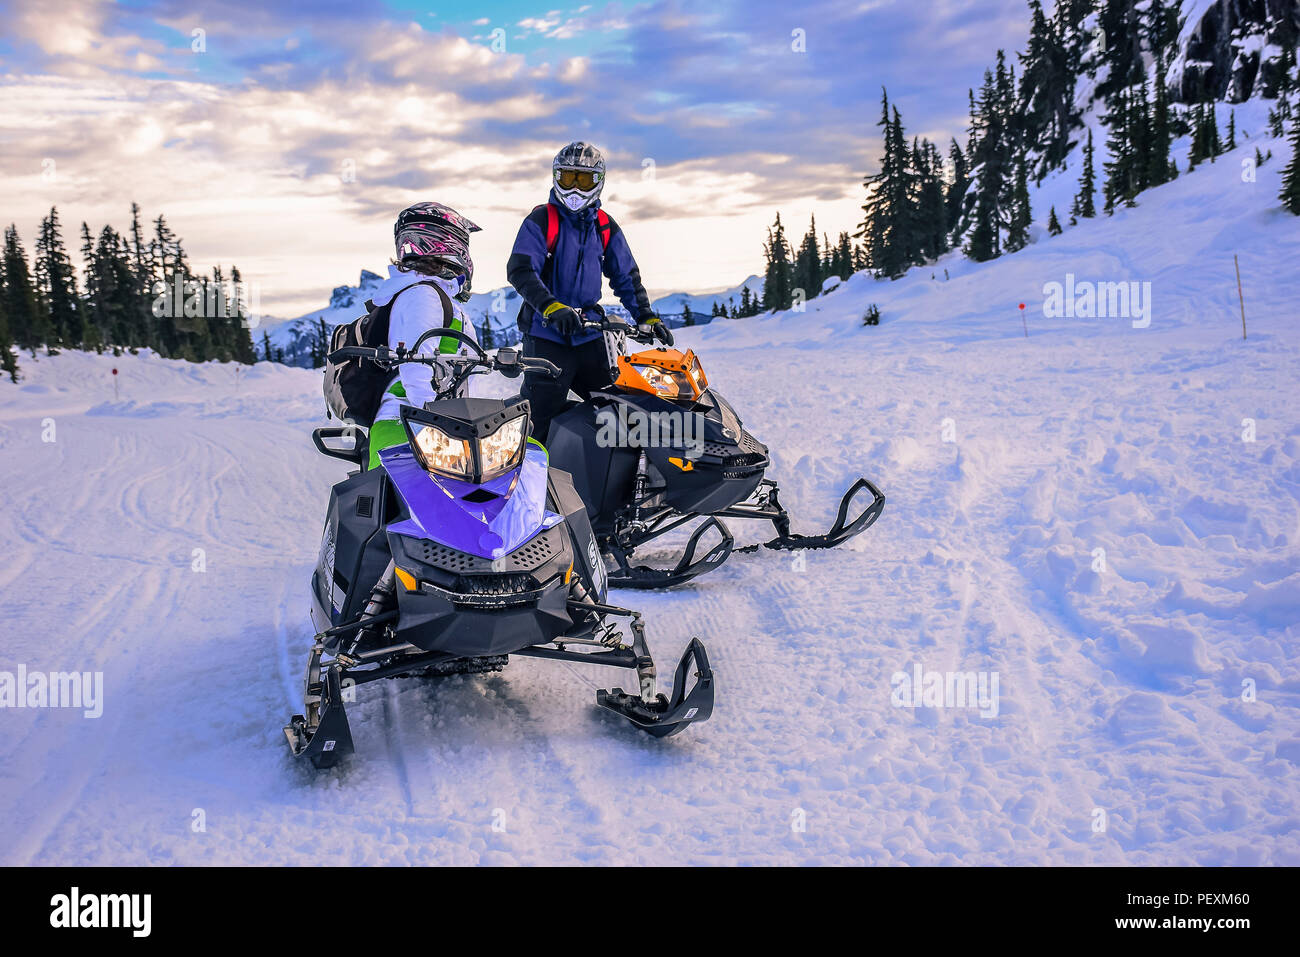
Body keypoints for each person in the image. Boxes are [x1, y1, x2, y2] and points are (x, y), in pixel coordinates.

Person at [506, 141, 672, 443]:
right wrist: (551, 307)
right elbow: (520, 270)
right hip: (546, 336)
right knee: (539, 416)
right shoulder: (542, 220)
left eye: (583, 180)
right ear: (556, 178)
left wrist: (646, 316)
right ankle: (529, 482)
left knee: (615, 408)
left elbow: (626, 276)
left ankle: (610, 481)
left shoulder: (605, 226)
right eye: (568, 178)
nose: (574, 189)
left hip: (589, 335)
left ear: (599, 182)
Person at [367, 201, 481, 470]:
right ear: (448, 243)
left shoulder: (425, 292)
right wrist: (441, 426)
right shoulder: (424, 296)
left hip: (426, 423)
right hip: (412, 428)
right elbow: (416, 369)